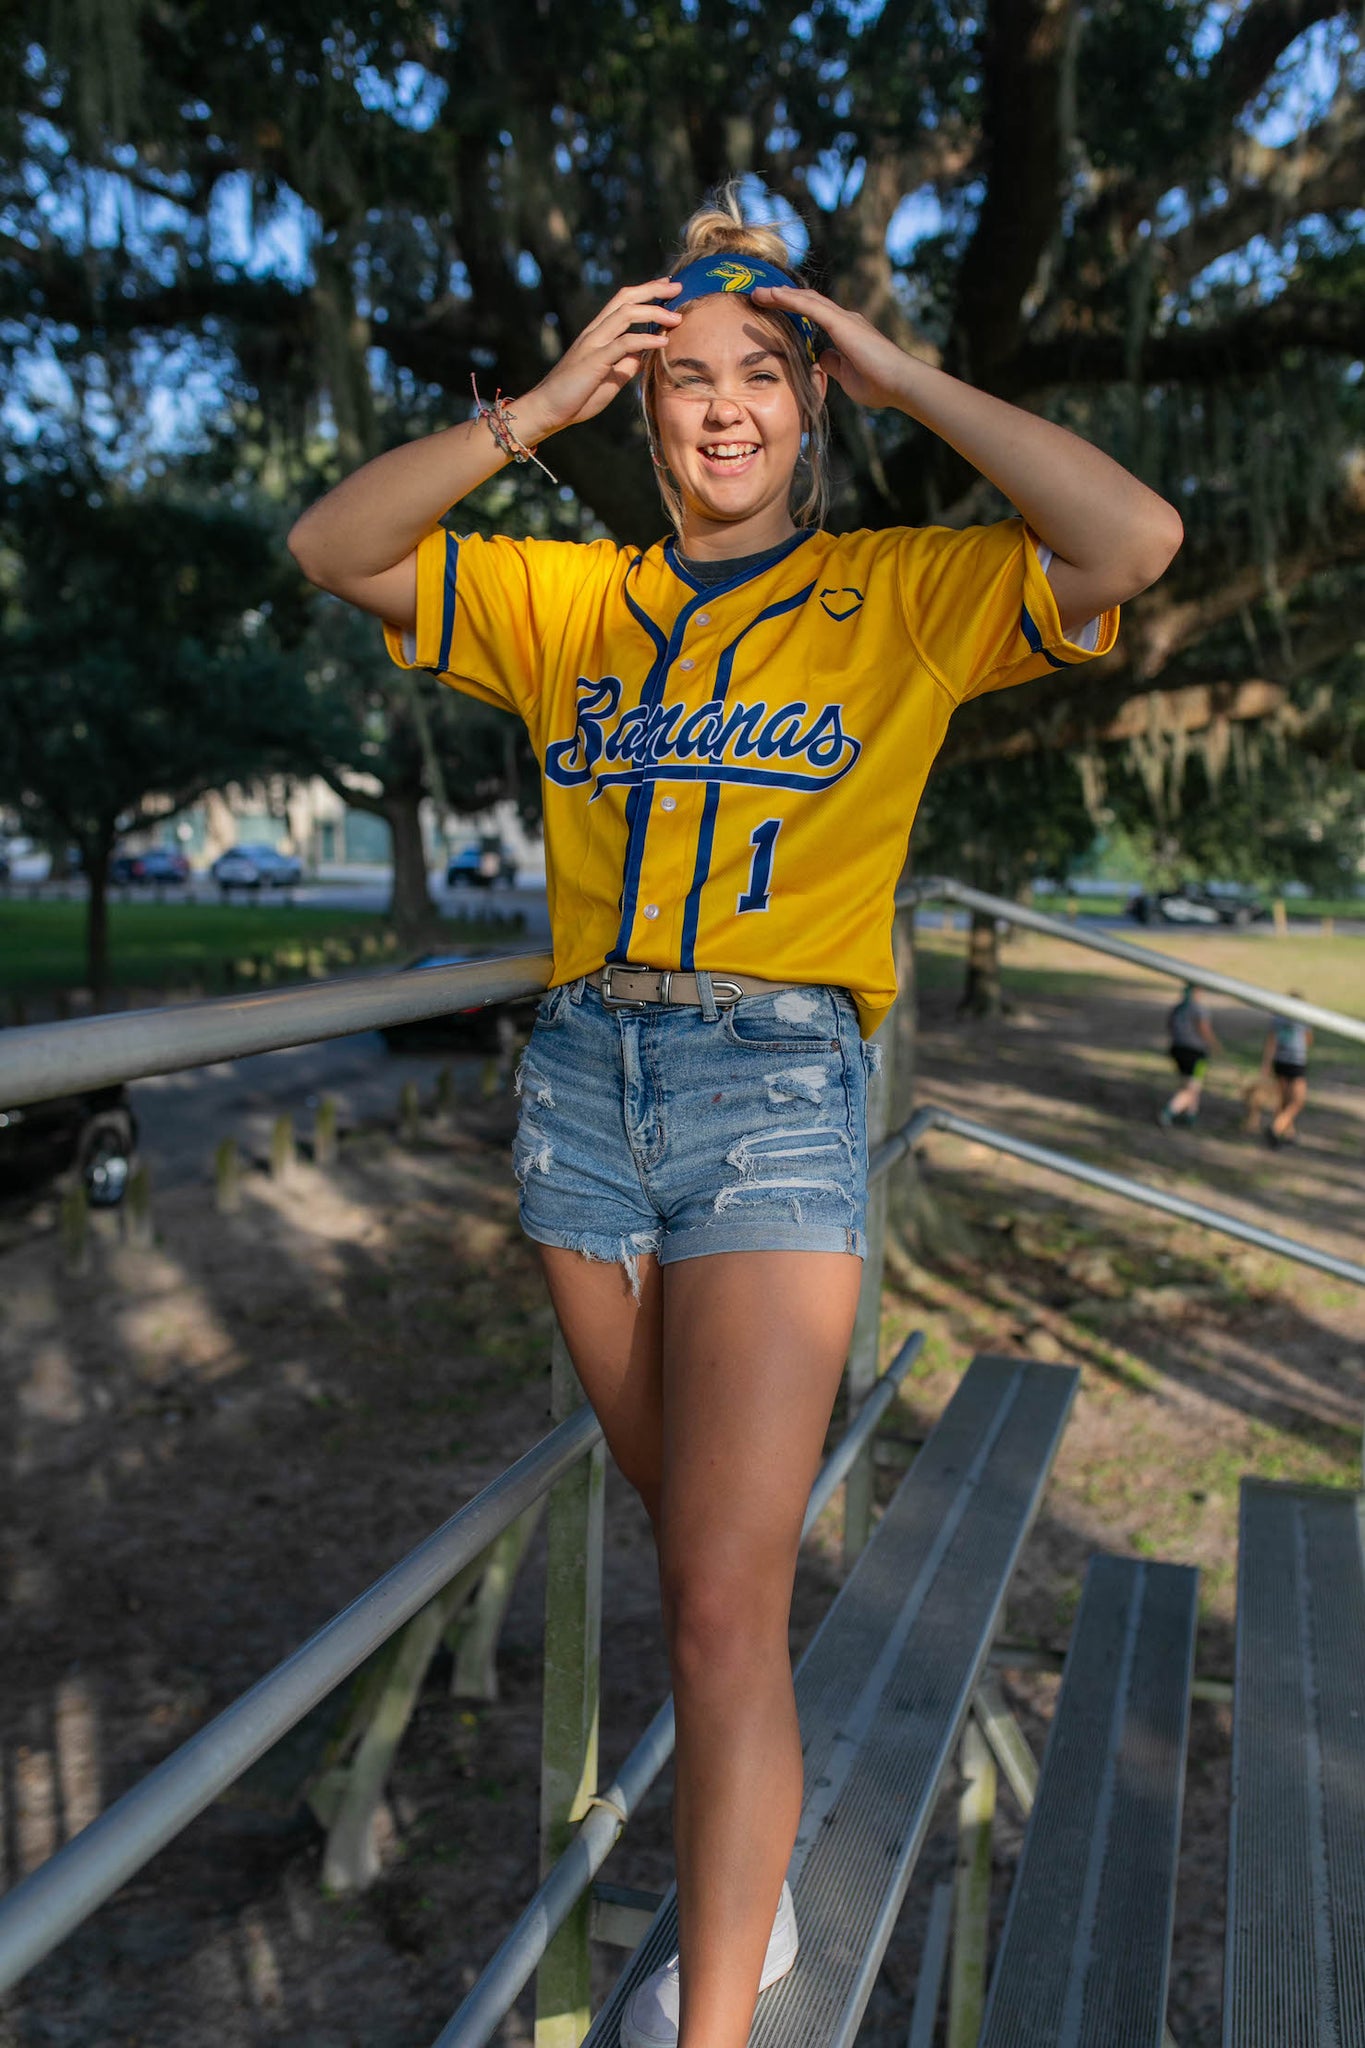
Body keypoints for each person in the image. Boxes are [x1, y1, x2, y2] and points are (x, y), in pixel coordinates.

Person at [288, 185, 1182, 2048]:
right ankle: (744, 1880)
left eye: (762, 374)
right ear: (641, 402)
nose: (720, 408)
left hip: (773, 1090)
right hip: (581, 1104)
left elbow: (1135, 532)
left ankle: (716, 2018)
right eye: (682, 376)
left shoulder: (907, 597)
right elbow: (335, 538)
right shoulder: (564, 598)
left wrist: (904, 366)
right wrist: (529, 411)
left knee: (709, 1593)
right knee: (710, 1552)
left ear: (812, 398)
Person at [1160, 983, 1220, 1128]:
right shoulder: (1199, 1009)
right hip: (1195, 1053)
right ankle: (1169, 1112)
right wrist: (1215, 1046)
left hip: (1178, 1049)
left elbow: (1169, 1026)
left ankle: (1190, 1116)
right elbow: (1204, 1030)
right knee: (1192, 1088)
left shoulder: (1178, 1008)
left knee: (1188, 1083)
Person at [1261, 995, 1312, 1145]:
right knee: (1297, 1101)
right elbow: (1309, 1040)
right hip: (1296, 1062)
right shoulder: (1304, 1019)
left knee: (1284, 1100)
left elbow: (1271, 1042)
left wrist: (1266, 1064)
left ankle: (1289, 1133)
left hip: (1280, 1061)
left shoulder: (1278, 1019)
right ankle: (1275, 1128)